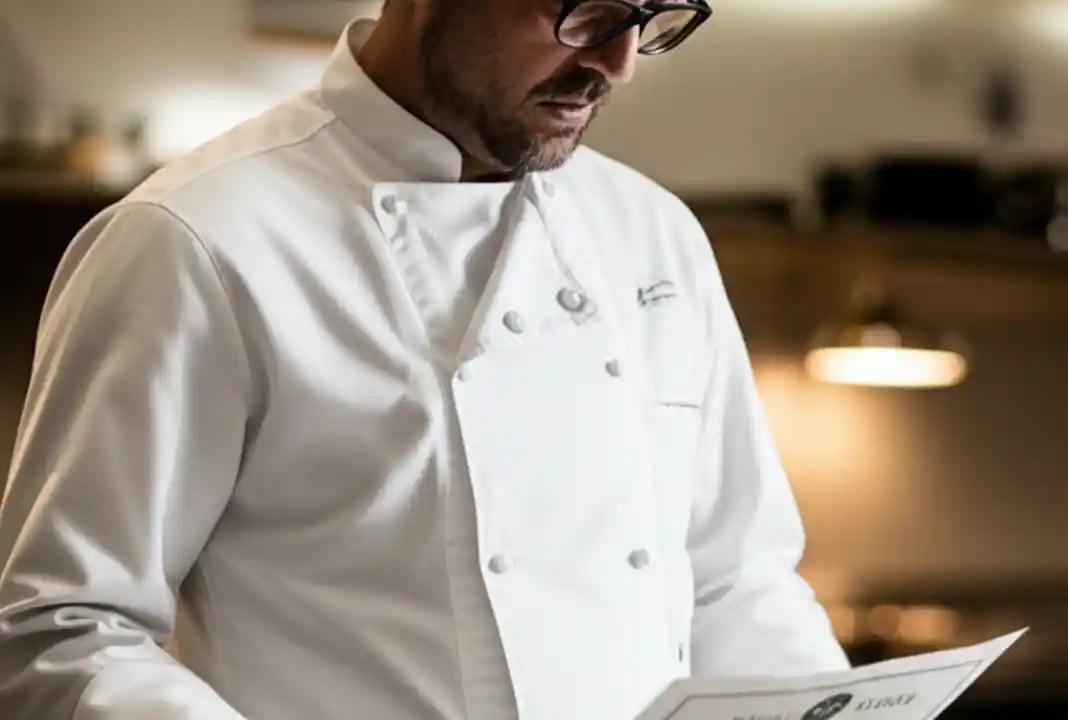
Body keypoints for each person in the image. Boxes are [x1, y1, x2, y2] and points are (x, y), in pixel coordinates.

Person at [0, 1, 848, 718]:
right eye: (584, 12)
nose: (619, 63)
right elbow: (65, 628)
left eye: (649, 15)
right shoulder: (197, 237)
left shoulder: (652, 231)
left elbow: (736, 580)